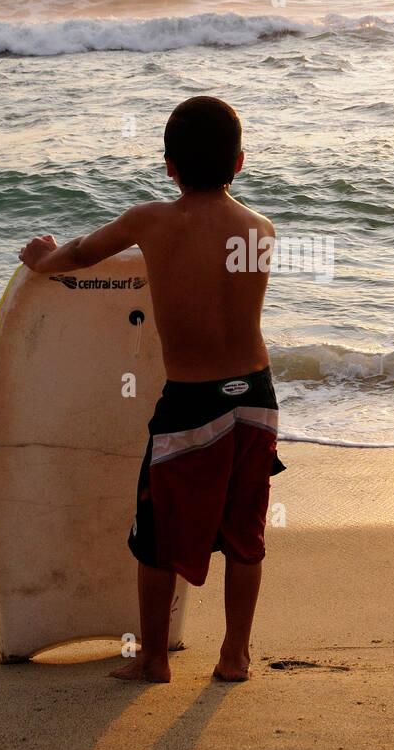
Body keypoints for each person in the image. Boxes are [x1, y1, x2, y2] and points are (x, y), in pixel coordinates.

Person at [19, 96, 284, 682]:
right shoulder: (260, 231)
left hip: (192, 403)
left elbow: (81, 255)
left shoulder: (151, 222)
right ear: (240, 162)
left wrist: (42, 260)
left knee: (157, 533)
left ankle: (155, 658)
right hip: (257, 398)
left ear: (169, 167)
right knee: (246, 532)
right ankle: (235, 655)